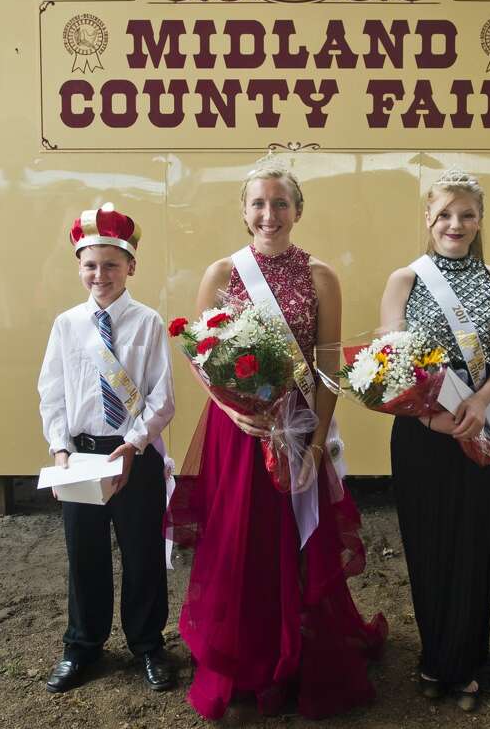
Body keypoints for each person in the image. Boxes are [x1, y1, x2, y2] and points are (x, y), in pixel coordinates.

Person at [167, 163, 387, 720]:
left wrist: (315, 442)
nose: (270, 215)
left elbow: (329, 367)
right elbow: (200, 355)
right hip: (239, 432)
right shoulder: (222, 273)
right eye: (259, 204)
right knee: (241, 539)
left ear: (298, 210)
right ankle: (245, 654)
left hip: (295, 427)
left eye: (281, 203)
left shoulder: (321, 276)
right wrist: (230, 410)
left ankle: (297, 652)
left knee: (294, 540)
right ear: (244, 212)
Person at [378, 170, 490, 712]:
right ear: (428, 218)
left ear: (480, 220)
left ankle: (467, 661)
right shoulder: (405, 280)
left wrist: (480, 403)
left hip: (478, 428)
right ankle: (437, 658)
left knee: (474, 545)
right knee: (429, 544)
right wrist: (431, 420)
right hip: (420, 434)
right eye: (444, 214)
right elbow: (389, 368)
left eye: (466, 214)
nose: (454, 224)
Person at [37, 203, 177, 694]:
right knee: (85, 555)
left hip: (135, 454)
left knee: (142, 554)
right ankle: (82, 646)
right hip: (81, 456)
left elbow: (162, 397)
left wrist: (135, 443)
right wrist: (60, 451)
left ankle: (148, 644)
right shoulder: (67, 324)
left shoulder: (148, 322)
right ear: (79, 268)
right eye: (91, 265)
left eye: (112, 265)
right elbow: (52, 392)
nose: (101, 275)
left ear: (131, 266)